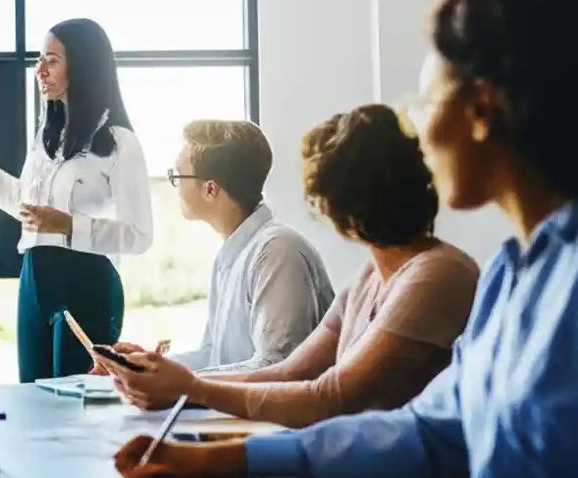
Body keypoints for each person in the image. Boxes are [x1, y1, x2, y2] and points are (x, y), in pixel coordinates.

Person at [112, 0, 578, 478]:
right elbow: (431, 432)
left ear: (482, 107)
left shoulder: (477, 273)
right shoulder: (509, 275)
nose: (419, 134)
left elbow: (339, 398)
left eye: (425, 102)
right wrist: (221, 458)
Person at [103, 105, 479, 428]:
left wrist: (189, 388)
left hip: (394, 471)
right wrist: (163, 376)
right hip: (348, 449)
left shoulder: (435, 273)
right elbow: (290, 372)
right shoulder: (371, 273)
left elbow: (329, 395)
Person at [0, 18, 153, 383]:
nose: (40, 71)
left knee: (76, 403)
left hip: (86, 282)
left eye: (52, 60)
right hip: (34, 280)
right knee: (32, 395)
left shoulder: (120, 142)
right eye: (39, 60)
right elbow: (26, 208)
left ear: (84, 64)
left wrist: (69, 225)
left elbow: (140, 235)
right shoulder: (48, 137)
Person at [97, 120, 334, 375]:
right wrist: (144, 365)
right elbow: (212, 355)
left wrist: (176, 381)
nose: (174, 185)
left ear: (211, 189)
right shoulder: (231, 255)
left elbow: (277, 366)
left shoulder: (278, 252)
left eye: (177, 175)